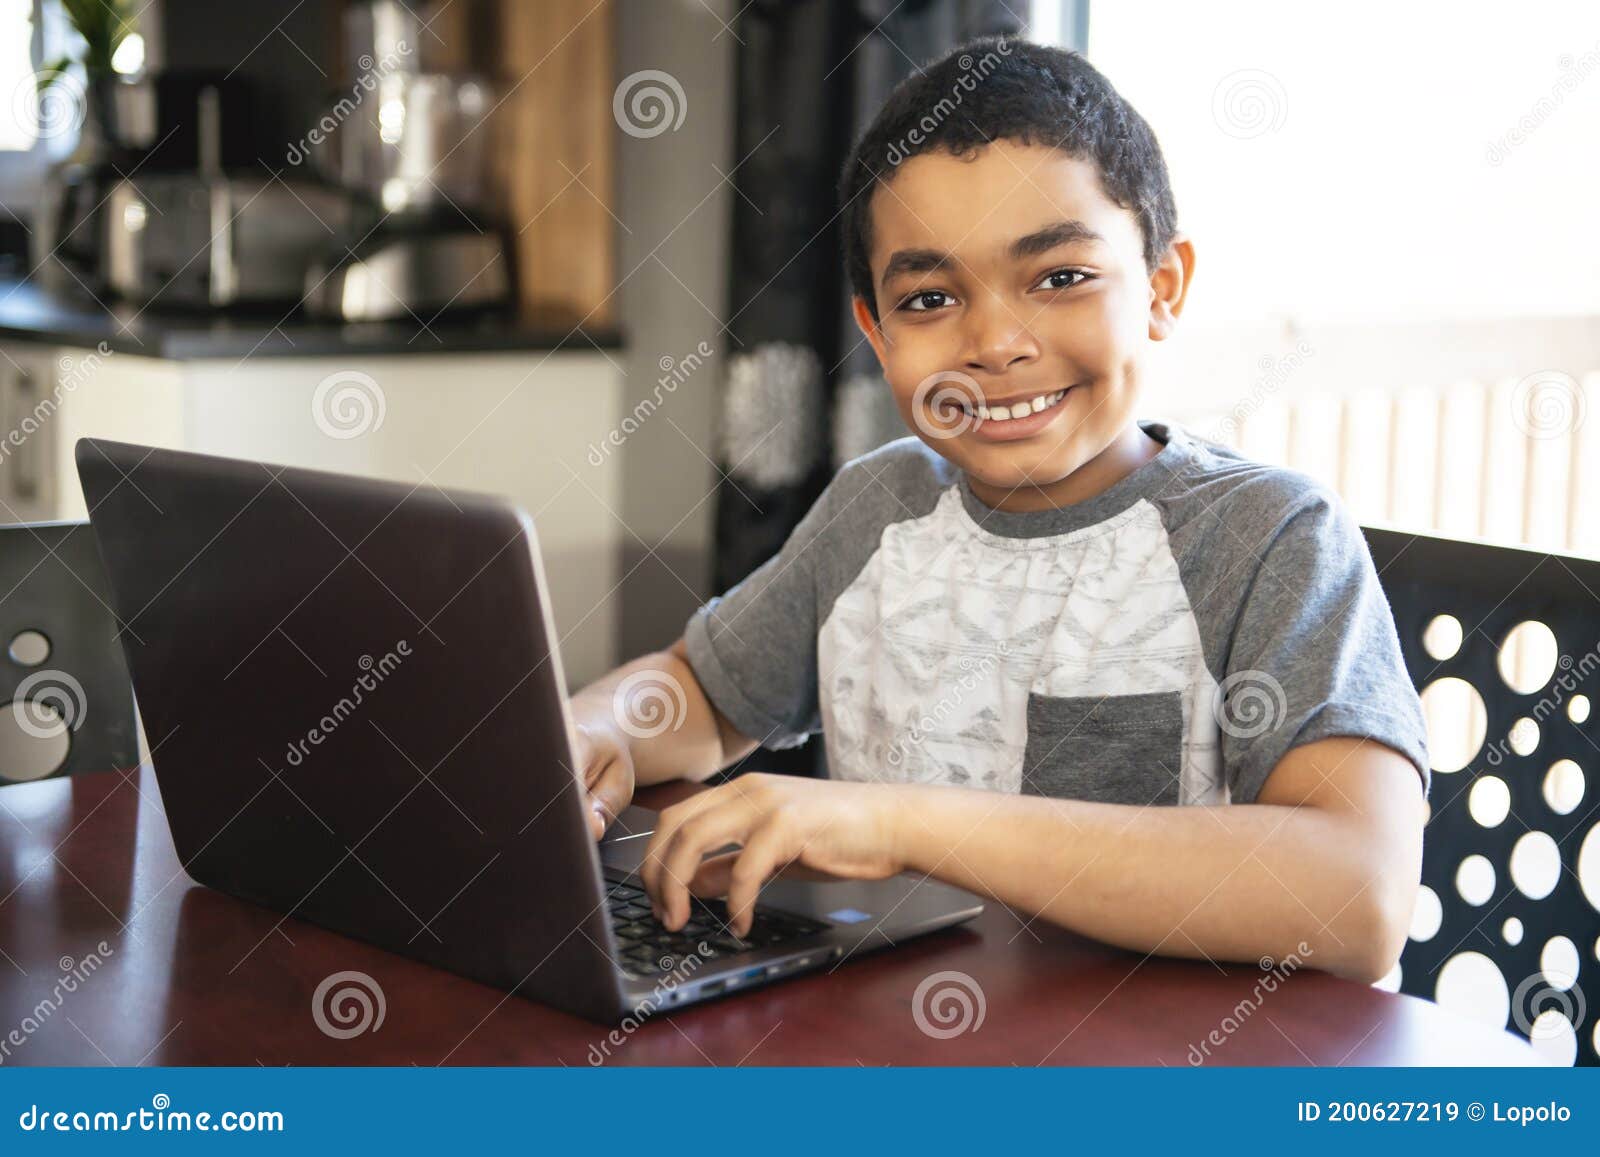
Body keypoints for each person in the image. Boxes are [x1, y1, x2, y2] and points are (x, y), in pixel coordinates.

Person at [567, 37, 1429, 983]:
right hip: (900, 1044)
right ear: (876, 330)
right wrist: (598, 724)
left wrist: (901, 821)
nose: (995, 342)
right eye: (930, 297)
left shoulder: (1267, 536)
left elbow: (1359, 895)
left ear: (1162, 288)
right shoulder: (878, 508)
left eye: (1060, 278)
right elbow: (702, 692)